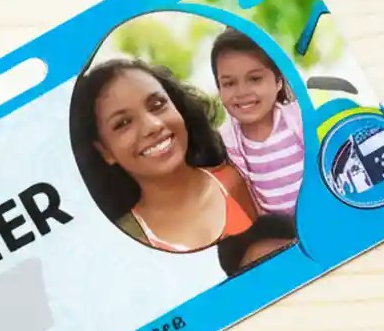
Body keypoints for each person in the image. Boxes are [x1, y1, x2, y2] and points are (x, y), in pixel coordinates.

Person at [69, 58, 258, 256]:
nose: (153, 126)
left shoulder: (239, 178)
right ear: (104, 151)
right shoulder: (122, 243)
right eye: (123, 123)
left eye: (157, 105)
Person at [211, 27, 307, 219]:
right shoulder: (230, 143)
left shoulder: (297, 119)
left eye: (254, 79)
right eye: (229, 83)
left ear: (278, 81)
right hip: (286, 236)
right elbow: (252, 202)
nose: (242, 92)